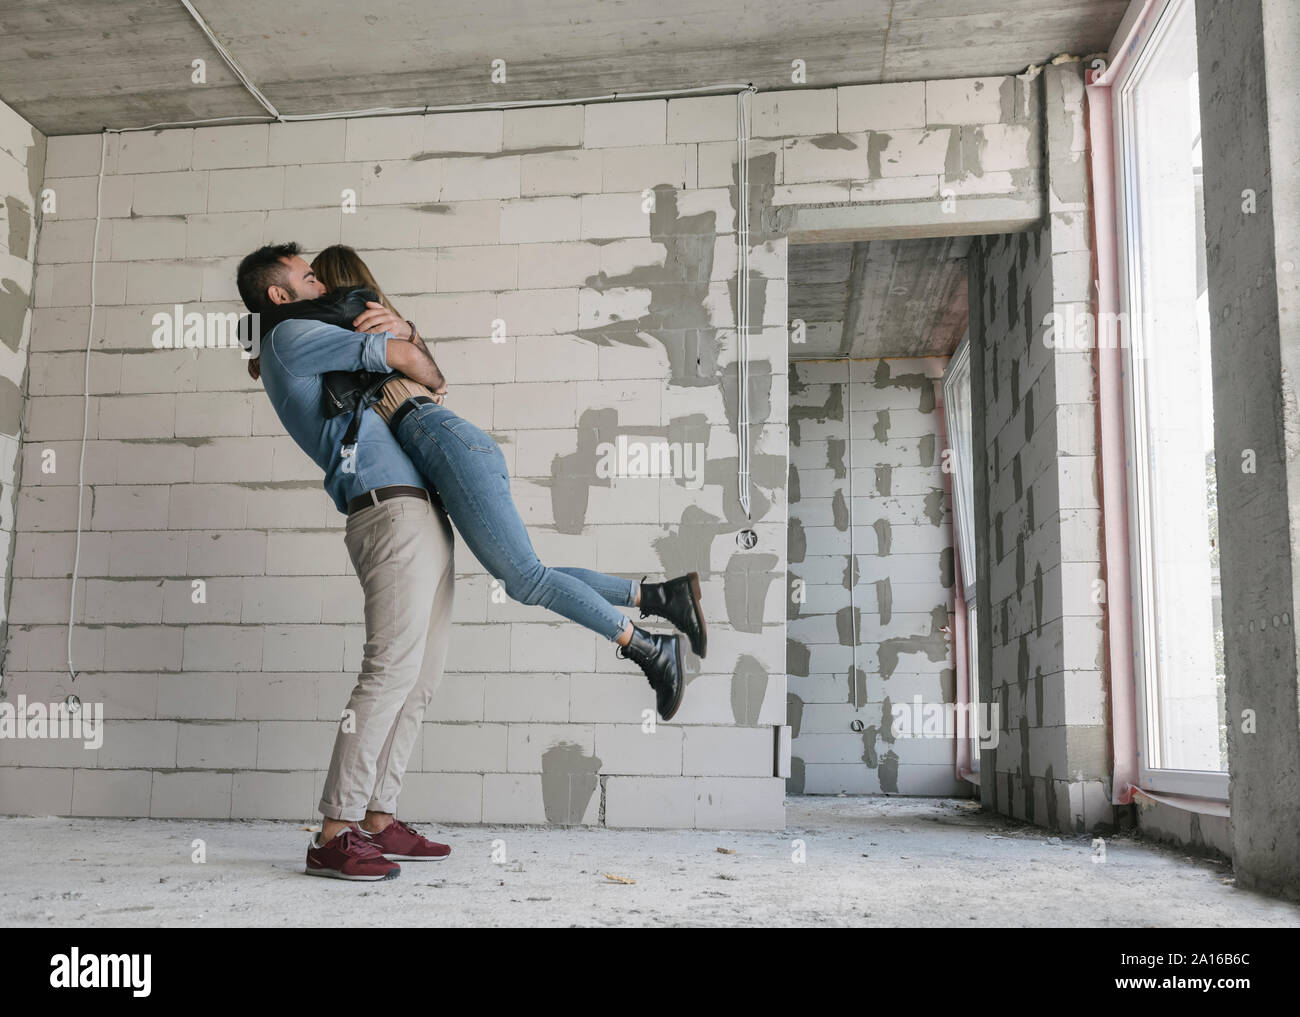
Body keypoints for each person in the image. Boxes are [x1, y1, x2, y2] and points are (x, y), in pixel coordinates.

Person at [278, 243, 706, 720]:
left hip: (441, 440)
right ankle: (660, 598)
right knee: (529, 575)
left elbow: (422, 378)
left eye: (318, 278)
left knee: (526, 580)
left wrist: (258, 332)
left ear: (336, 283)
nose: (312, 286)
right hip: (448, 443)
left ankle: (648, 647)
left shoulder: (356, 313)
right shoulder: (358, 331)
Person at [237, 242, 455, 882]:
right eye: (309, 277)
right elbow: (419, 368)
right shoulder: (289, 338)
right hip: (387, 510)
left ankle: (379, 820)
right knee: (388, 674)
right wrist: (403, 335)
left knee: (421, 680)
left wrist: (406, 333)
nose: (323, 282)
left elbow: (424, 371)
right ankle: (335, 832)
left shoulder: (309, 333)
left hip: (421, 509)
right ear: (279, 295)